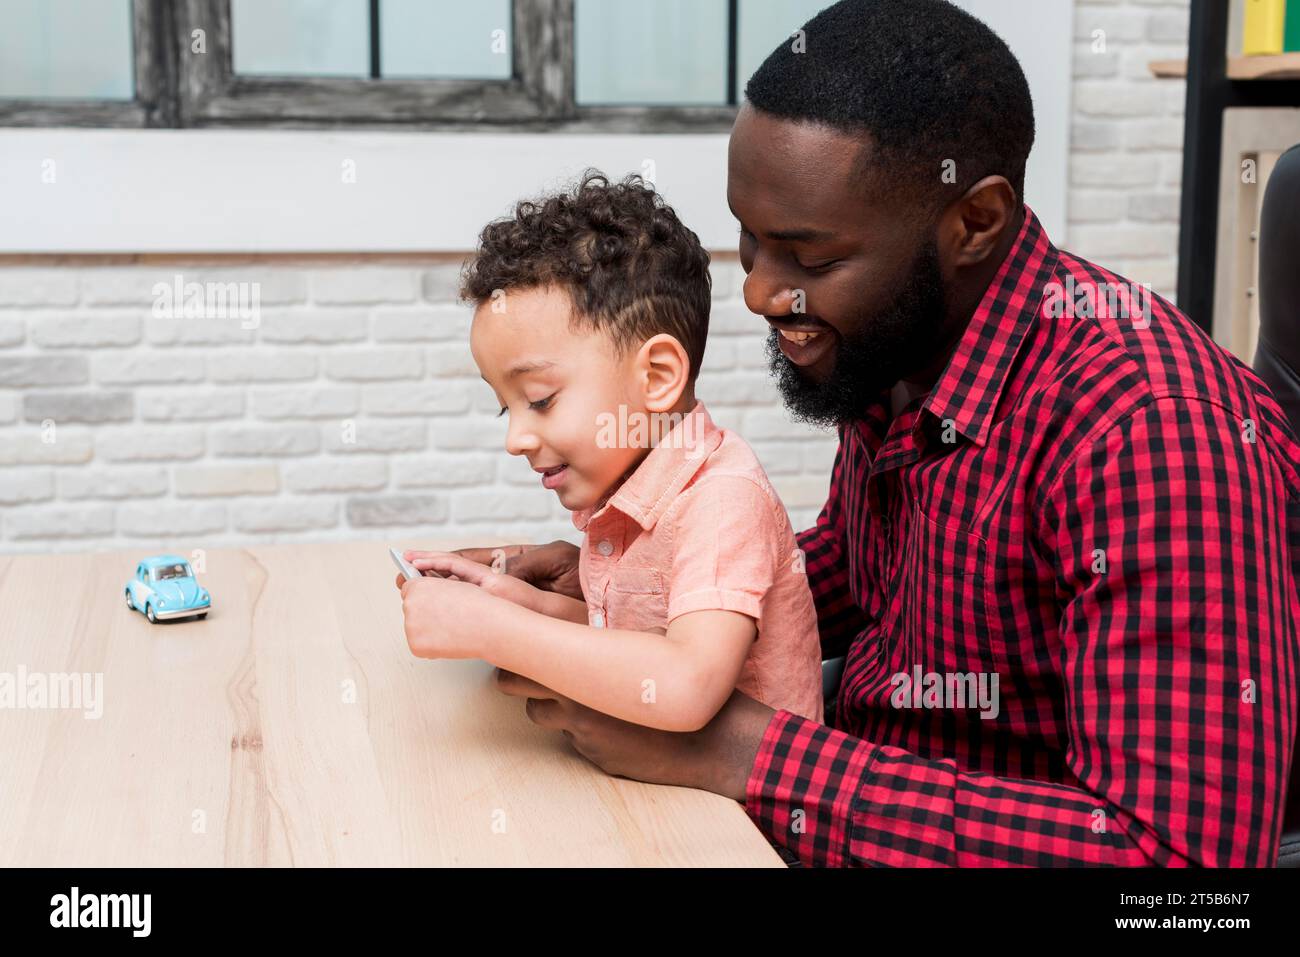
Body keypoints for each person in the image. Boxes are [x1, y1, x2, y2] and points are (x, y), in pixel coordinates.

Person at [438, 0, 1300, 867]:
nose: (761, 294)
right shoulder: (896, 349)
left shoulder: (1152, 435)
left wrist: (746, 754)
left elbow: (1184, 876)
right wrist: (656, 579)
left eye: (810, 260)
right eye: (750, 241)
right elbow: (858, 575)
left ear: (975, 224)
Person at [396, 172, 823, 733]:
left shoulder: (722, 503)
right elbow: (626, 638)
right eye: (508, 409)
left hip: (737, 817)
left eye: (540, 400)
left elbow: (683, 684)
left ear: (658, 376)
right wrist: (508, 603)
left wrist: (494, 632)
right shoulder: (636, 489)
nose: (515, 439)